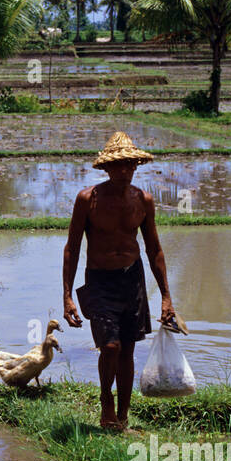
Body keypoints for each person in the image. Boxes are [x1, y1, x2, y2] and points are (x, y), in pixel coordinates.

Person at [62, 131, 176, 431]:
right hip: (99, 280)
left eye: (130, 165)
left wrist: (166, 296)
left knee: (127, 349)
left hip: (132, 280)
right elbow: (72, 247)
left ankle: (122, 416)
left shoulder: (143, 200)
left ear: (136, 166)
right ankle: (106, 402)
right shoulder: (88, 199)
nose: (124, 171)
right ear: (107, 168)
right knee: (110, 347)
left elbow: (154, 248)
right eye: (118, 165)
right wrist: (67, 296)